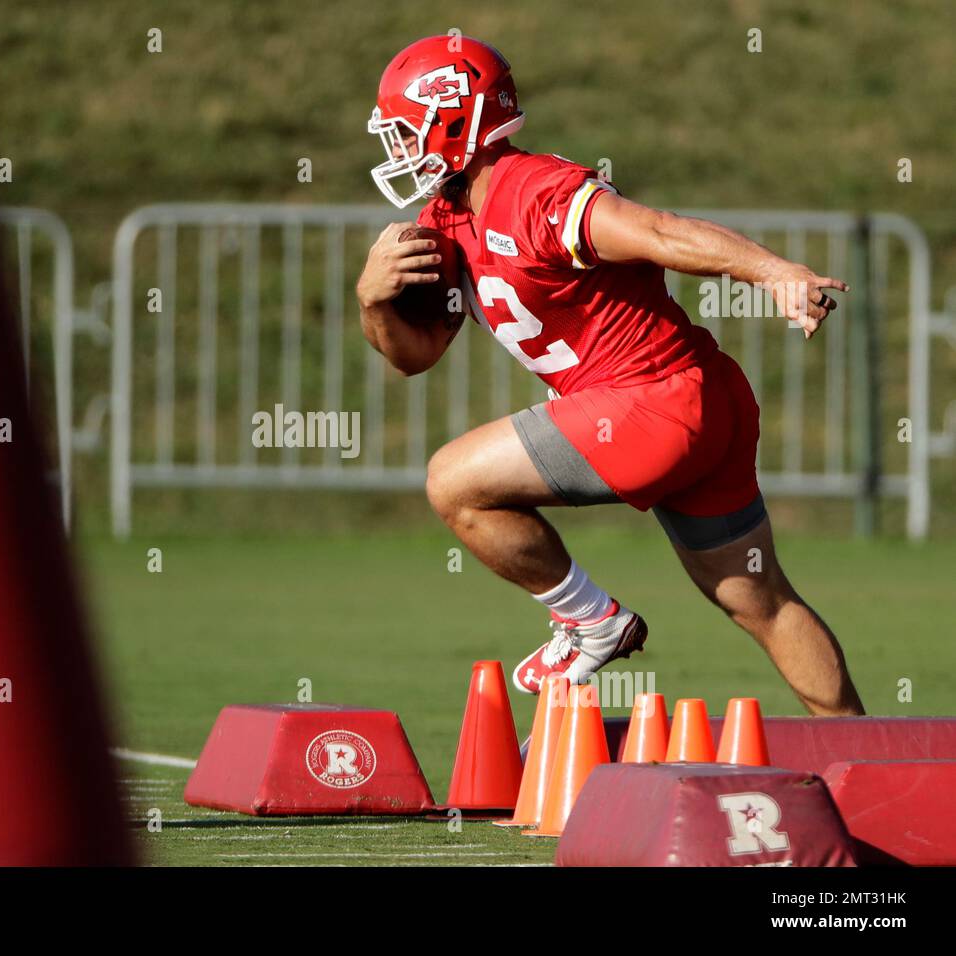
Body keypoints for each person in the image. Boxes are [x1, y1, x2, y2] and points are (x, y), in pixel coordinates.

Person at [356, 35, 864, 716]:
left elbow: (657, 230)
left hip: (652, 405)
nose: (397, 149)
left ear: (456, 121)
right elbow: (412, 355)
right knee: (761, 600)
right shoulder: (446, 220)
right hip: (699, 399)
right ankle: (866, 757)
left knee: (454, 481)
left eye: (405, 130)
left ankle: (590, 619)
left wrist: (771, 270)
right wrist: (372, 298)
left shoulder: (533, 191)